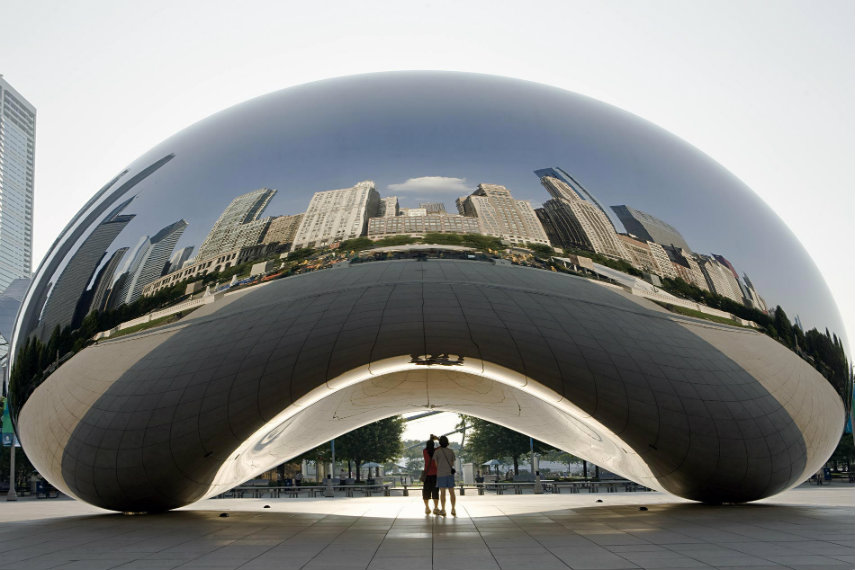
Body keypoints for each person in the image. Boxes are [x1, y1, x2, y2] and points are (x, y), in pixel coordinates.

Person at [433, 435, 457, 516]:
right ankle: (453, 509)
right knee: (452, 492)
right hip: (450, 473)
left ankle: (443, 509)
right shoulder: (451, 451)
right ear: (447, 442)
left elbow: (436, 464)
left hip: (441, 474)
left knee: (442, 493)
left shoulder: (437, 452)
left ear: (440, 443)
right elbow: (452, 463)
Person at [422, 435, 439, 515]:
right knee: (435, 492)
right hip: (435, 475)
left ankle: (427, 508)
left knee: (426, 492)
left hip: (427, 475)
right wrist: (437, 439)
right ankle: (435, 508)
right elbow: (444, 444)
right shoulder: (437, 451)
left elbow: (428, 446)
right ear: (433, 445)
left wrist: (431, 439)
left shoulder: (424, 452)